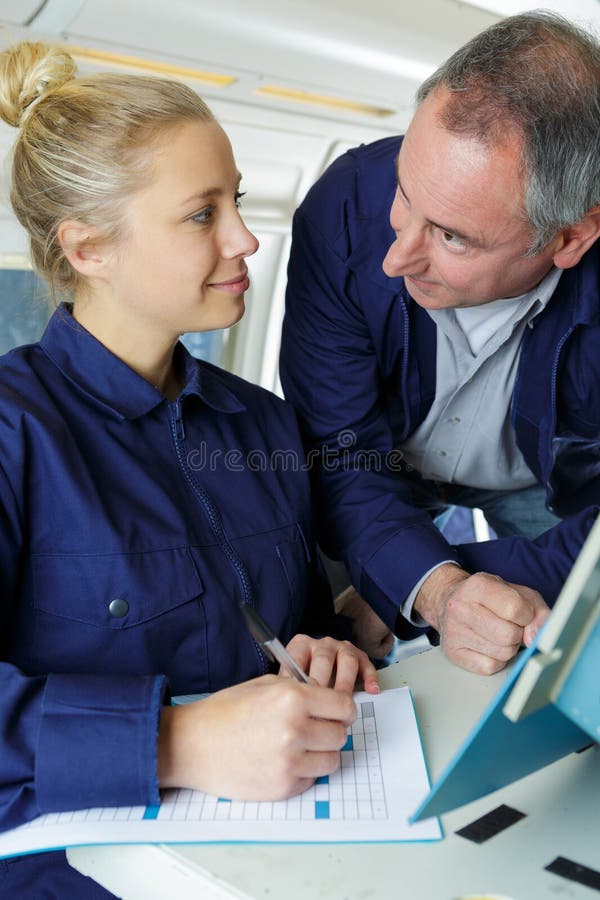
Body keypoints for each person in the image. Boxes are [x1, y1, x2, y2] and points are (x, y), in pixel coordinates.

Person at [0, 41, 379, 899]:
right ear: (88, 247)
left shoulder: (263, 420)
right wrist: (174, 741)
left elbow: (289, 634)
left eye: (237, 202)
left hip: (285, 851)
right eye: (202, 214)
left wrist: (321, 654)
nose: (245, 237)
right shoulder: (14, 431)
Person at [280, 10, 600, 676]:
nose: (395, 257)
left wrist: (432, 588)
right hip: (378, 461)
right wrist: (426, 584)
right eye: (405, 192)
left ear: (570, 238)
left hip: (541, 484)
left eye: (453, 237)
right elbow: (341, 455)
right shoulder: (346, 208)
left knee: (556, 647)